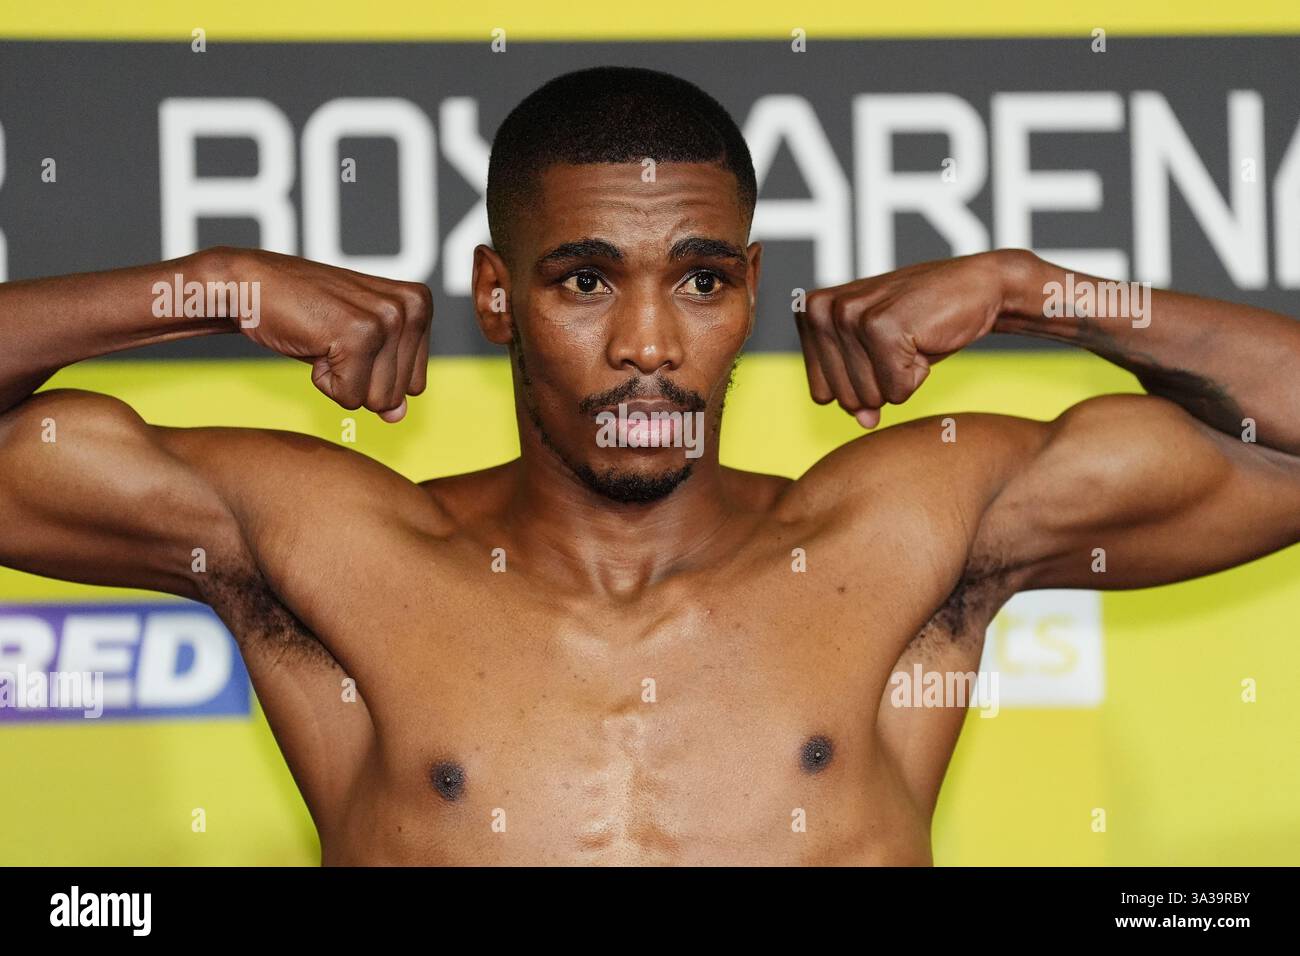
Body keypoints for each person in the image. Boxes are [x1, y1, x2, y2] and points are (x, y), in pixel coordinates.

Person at [1, 66, 1297, 865]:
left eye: (700, 279)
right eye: (583, 280)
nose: (647, 345)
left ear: (749, 293)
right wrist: (203, 286)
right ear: (496, 301)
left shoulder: (907, 532)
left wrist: (1043, 289)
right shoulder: (334, 550)